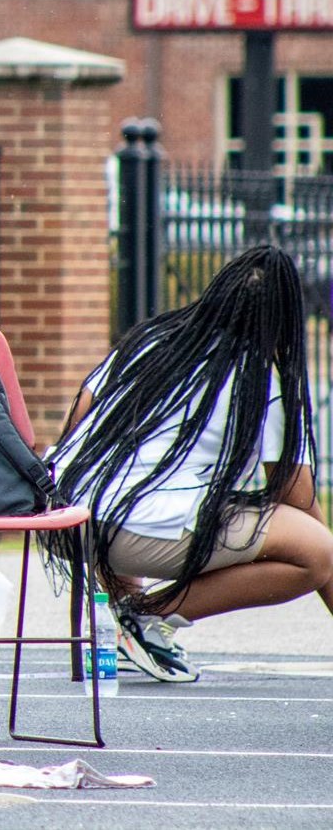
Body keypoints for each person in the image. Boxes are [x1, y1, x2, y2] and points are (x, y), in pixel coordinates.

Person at [43, 245, 333, 684]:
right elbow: (299, 501)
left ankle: (127, 630)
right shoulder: (262, 381)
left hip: (64, 518)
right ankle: (144, 618)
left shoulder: (150, 343)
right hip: (130, 532)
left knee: (136, 486)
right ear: (285, 321)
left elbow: (81, 420)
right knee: (316, 551)